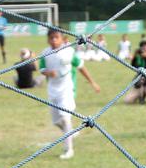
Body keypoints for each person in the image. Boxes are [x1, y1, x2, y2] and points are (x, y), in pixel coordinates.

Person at [38, 28, 101, 160]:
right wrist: (49, 73)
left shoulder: (69, 52)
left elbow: (81, 67)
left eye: (56, 37)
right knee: (56, 121)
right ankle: (71, 133)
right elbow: (42, 69)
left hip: (66, 90)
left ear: (62, 38)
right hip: (52, 90)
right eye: (51, 38)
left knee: (65, 118)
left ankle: (69, 149)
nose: (54, 40)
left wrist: (93, 83)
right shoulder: (45, 53)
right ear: (48, 39)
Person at [124, 39, 146, 104]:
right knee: (127, 101)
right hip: (139, 84)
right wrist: (135, 56)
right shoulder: (139, 57)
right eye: (143, 46)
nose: (145, 47)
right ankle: (141, 96)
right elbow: (134, 66)